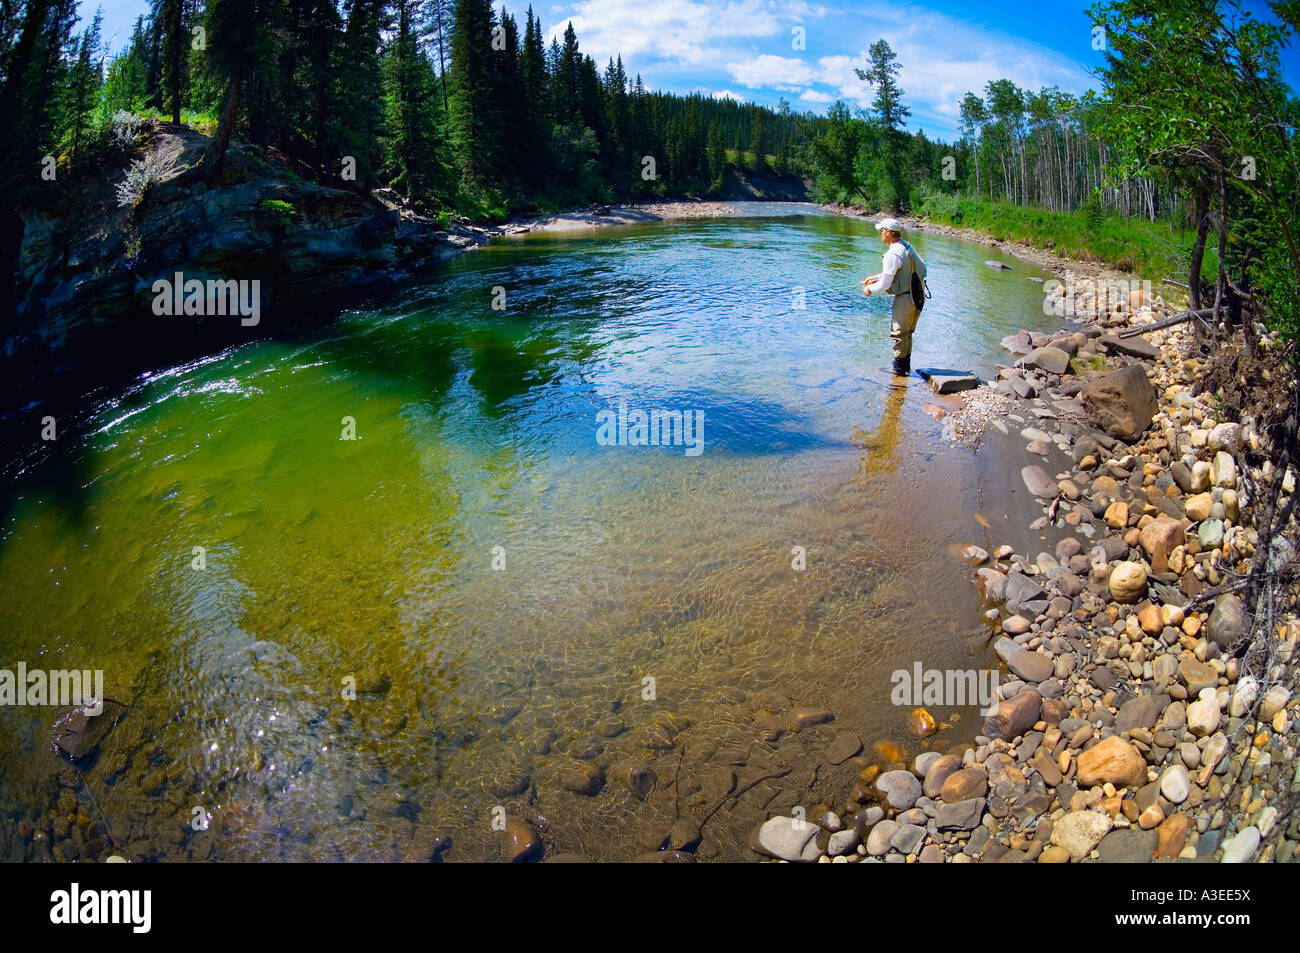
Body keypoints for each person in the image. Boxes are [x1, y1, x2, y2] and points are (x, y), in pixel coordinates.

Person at [861, 217, 927, 377]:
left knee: (899, 334)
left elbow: (884, 284)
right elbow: (904, 269)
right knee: (907, 334)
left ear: (889, 232)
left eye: (882, 230)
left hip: (905, 299)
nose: (881, 234)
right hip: (918, 295)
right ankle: (904, 369)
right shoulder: (907, 247)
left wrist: (869, 288)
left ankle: (898, 372)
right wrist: (876, 276)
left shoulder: (893, 253)